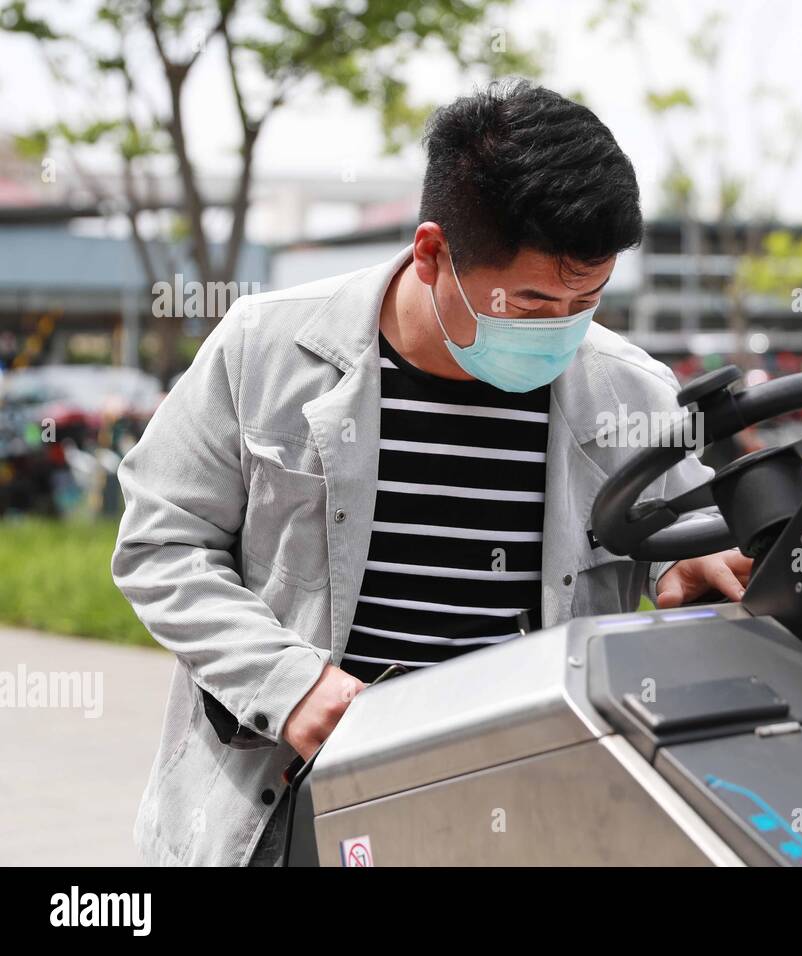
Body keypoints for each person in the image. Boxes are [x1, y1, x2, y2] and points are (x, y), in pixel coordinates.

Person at [112, 79, 752, 866]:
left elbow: (678, 559)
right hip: (286, 804)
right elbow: (162, 545)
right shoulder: (264, 352)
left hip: (521, 814)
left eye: (587, 299)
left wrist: (685, 582)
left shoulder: (631, 394)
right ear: (431, 252)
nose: (563, 329)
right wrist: (289, 684)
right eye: (529, 304)